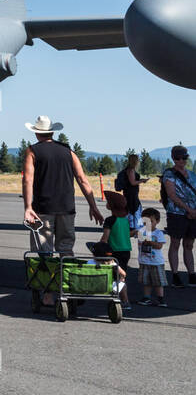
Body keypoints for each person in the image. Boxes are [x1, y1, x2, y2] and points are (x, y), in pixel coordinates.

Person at [21, 115, 103, 262]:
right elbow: (82, 180)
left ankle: (47, 281)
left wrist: (28, 207)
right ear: (52, 132)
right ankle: (65, 281)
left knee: (44, 249)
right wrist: (93, 206)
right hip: (67, 207)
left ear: (36, 132)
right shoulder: (69, 151)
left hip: (43, 208)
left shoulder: (32, 151)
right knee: (66, 248)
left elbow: (27, 179)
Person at [160, 145, 196, 288]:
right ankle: (175, 274)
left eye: (184, 158)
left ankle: (191, 274)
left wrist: (194, 211)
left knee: (189, 244)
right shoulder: (169, 175)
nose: (181, 161)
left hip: (193, 214)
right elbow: (172, 195)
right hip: (177, 214)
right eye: (178, 158)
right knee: (175, 243)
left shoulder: (192, 175)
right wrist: (188, 209)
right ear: (173, 158)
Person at [93, 190, 132, 310]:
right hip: (126, 251)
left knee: (114, 276)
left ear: (111, 206)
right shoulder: (125, 220)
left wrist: (97, 248)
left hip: (114, 252)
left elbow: (105, 238)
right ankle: (123, 300)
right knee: (121, 276)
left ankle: (123, 300)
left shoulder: (110, 220)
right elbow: (126, 234)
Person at [136, 207, 168, 307]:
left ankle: (160, 299)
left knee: (158, 282)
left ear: (157, 221)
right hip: (144, 261)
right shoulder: (142, 231)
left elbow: (159, 246)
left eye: (151, 221)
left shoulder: (158, 233)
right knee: (146, 282)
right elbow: (133, 235)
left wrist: (150, 242)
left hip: (156, 262)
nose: (148, 224)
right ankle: (147, 298)